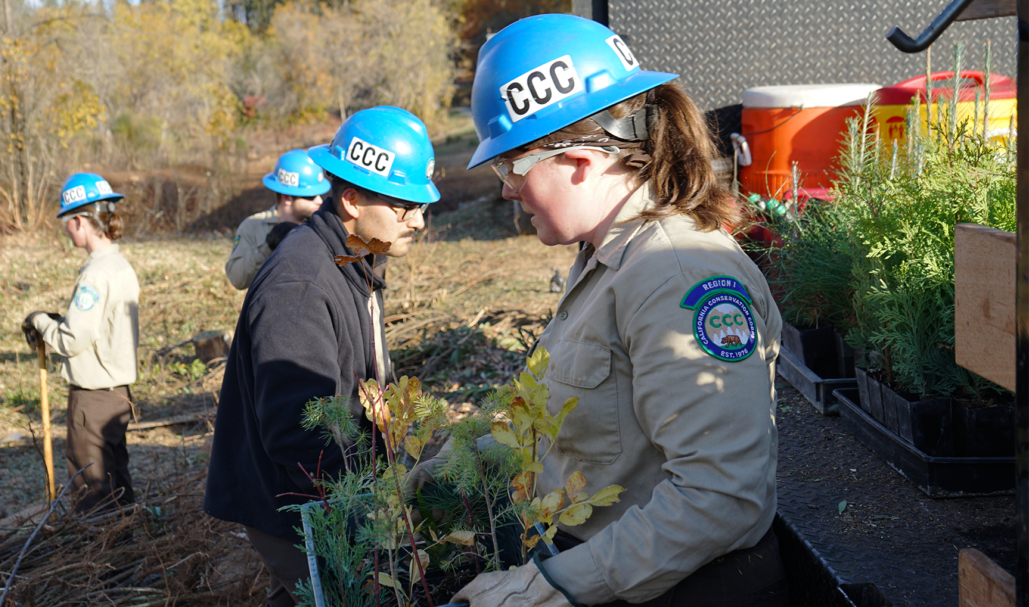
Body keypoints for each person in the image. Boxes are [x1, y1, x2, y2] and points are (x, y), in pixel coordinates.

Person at [444, 14, 787, 607]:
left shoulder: (678, 272)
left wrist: (550, 588)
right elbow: (567, 421)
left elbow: (722, 497)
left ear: (577, 158)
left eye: (510, 166)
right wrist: (445, 467)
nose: (506, 189)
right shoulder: (608, 262)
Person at [203, 106, 439, 607]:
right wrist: (359, 513)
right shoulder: (301, 285)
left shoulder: (356, 256)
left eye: (422, 205)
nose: (418, 221)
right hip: (297, 502)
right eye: (405, 206)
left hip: (341, 486)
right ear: (352, 199)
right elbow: (298, 430)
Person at [21, 172, 140, 513]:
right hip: (117, 393)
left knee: (93, 486)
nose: (65, 229)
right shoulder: (120, 266)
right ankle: (126, 549)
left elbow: (72, 340)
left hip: (93, 398)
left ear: (78, 221)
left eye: (66, 221)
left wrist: (40, 322)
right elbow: (100, 326)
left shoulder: (95, 274)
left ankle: (100, 559)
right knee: (116, 478)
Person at [225, 149, 331, 289]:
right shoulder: (253, 226)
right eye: (310, 196)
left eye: (319, 194)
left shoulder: (324, 225)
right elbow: (237, 279)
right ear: (286, 197)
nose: (319, 200)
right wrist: (267, 248)